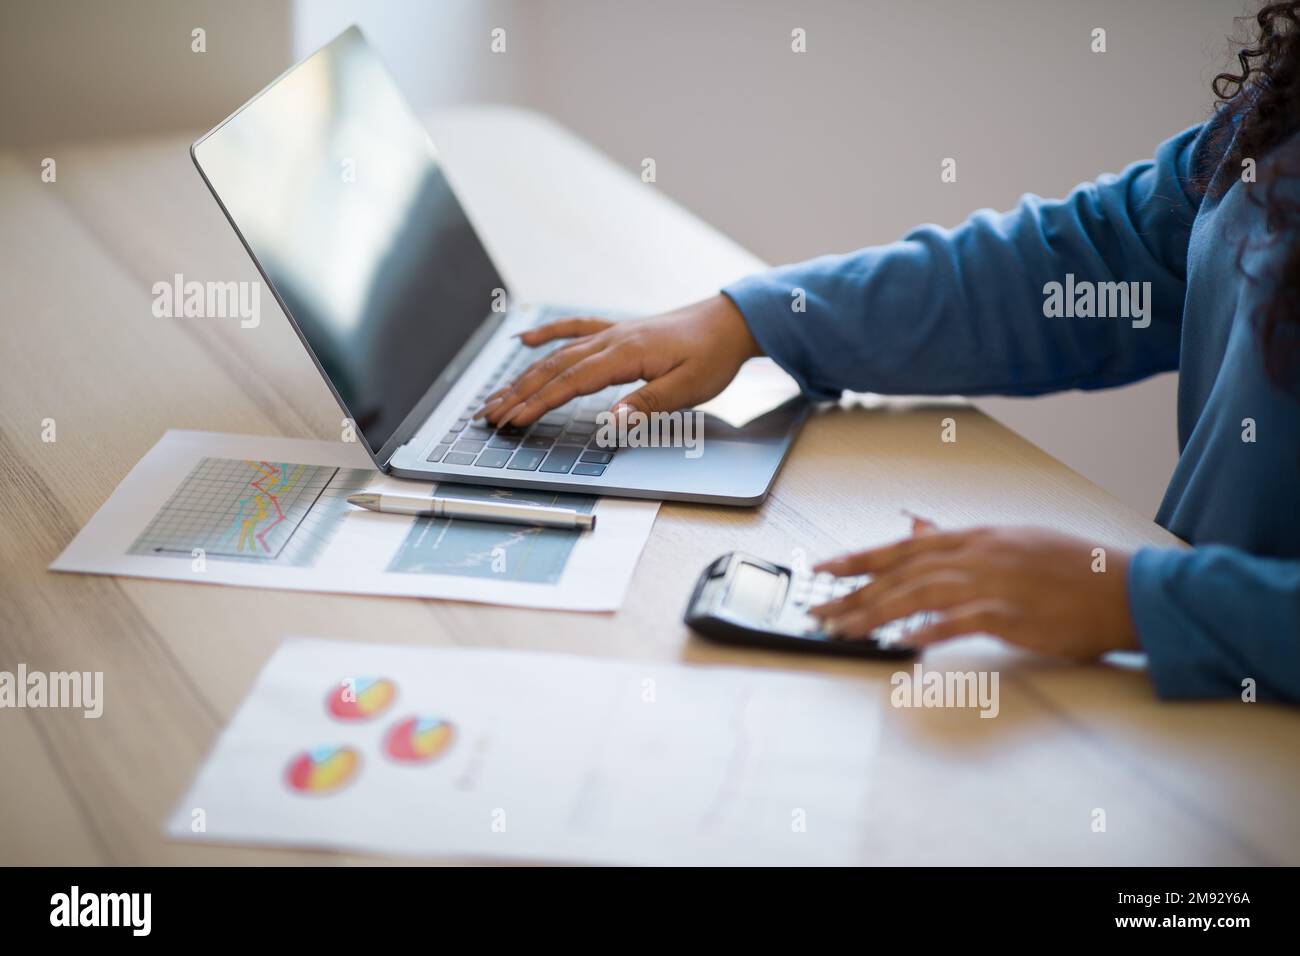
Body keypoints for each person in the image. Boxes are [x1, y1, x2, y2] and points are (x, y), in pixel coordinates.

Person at [478, 4, 1300, 702]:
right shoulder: (1280, 108)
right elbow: (1093, 258)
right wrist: (752, 318)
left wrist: (1138, 600)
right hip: (1193, 695)